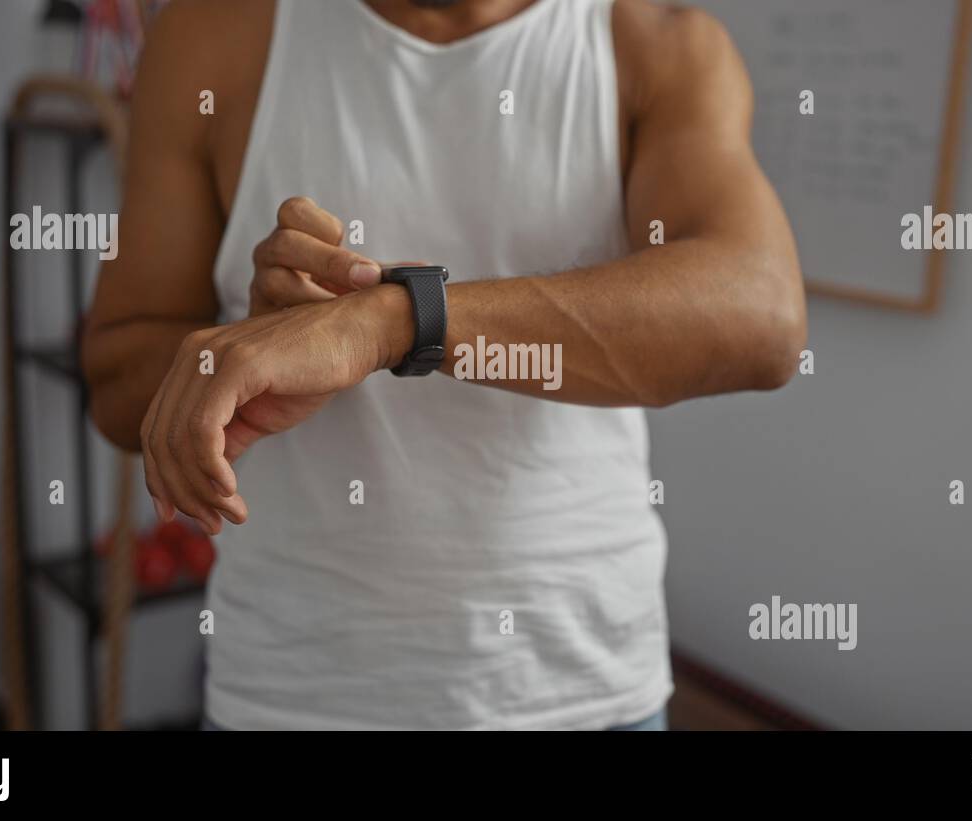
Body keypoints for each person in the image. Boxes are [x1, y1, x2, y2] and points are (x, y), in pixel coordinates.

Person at [83, 0, 806, 730]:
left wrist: (394, 320)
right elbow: (115, 383)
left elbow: (763, 315)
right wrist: (256, 348)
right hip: (292, 692)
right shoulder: (214, 34)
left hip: (581, 692)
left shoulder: (656, 41)